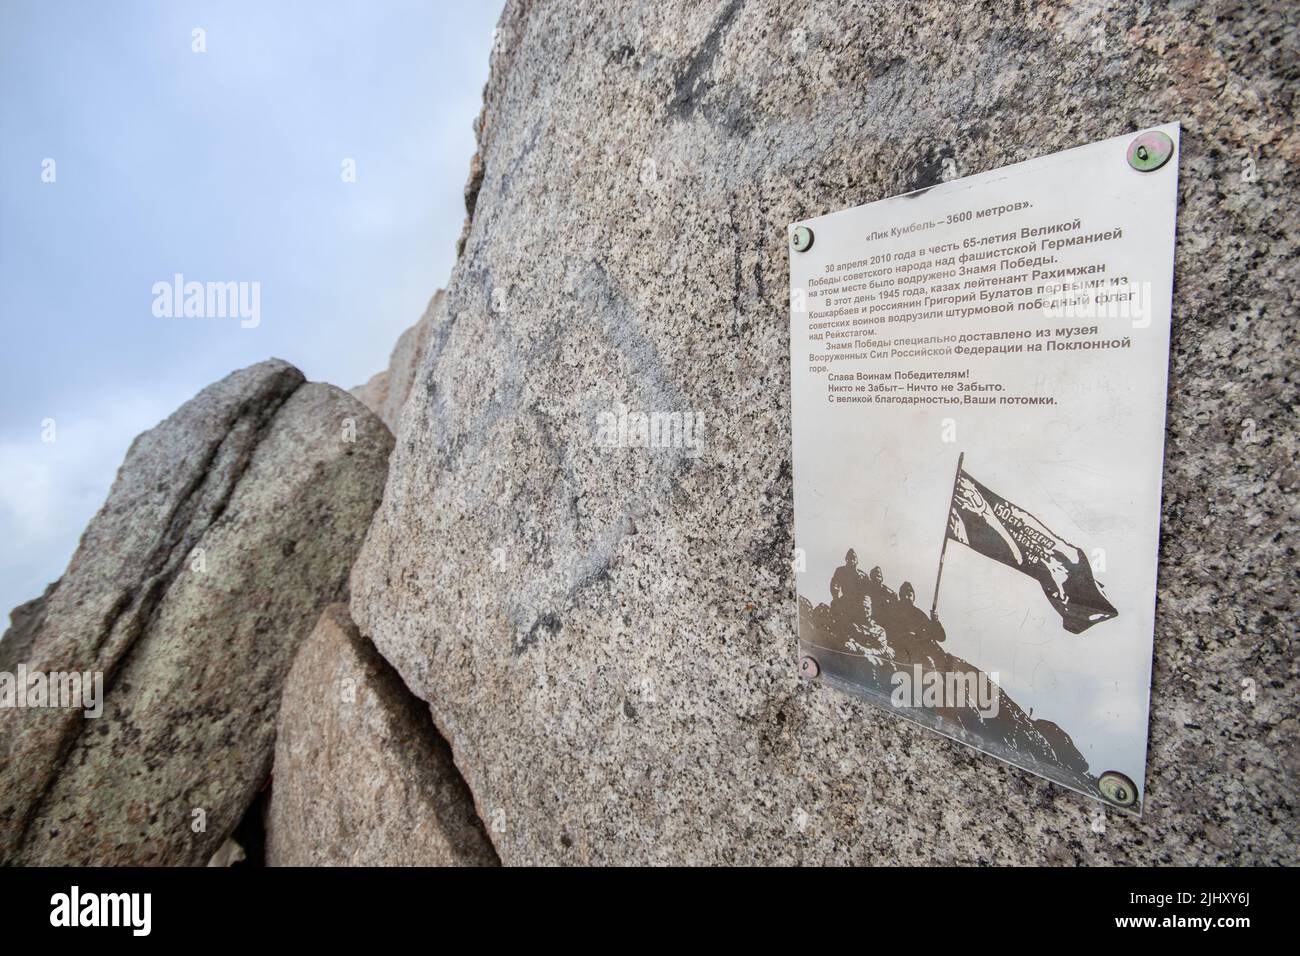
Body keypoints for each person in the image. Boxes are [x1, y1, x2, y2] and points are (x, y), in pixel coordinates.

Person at [891, 581, 947, 670]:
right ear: (900, 596)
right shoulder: (895, 611)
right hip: (910, 651)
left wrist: (935, 622)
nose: (907, 597)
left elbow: (941, 637)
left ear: (914, 597)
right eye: (904, 594)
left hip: (929, 650)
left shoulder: (919, 614)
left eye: (910, 594)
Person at [829, 549, 867, 625]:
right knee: (835, 605)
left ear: (857, 561)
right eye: (849, 558)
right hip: (846, 598)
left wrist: (865, 600)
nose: (852, 561)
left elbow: (868, 589)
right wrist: (835, 597)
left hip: (860, 601)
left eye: (854, 559)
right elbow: (834, 584)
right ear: (846, 559)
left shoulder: (863, 575)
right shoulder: (840, 571)